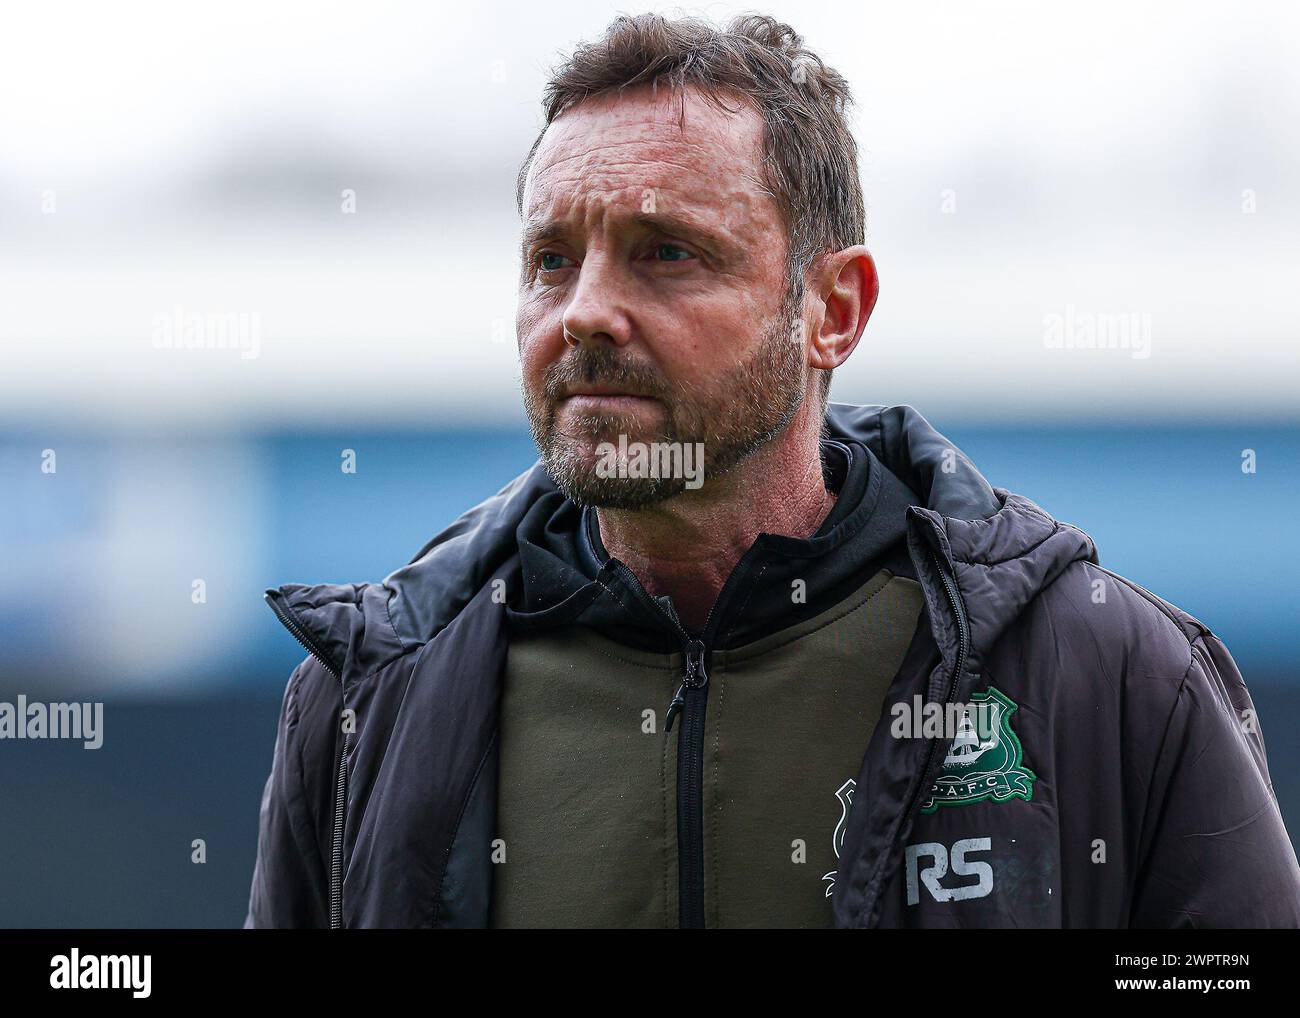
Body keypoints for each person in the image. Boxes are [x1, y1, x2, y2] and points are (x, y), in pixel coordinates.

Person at [245, 13, 1300, 928]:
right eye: (550, 260)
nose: (584, 313)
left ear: (831, 310)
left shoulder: (1105, 671)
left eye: (666, 251)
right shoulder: (366, 695)